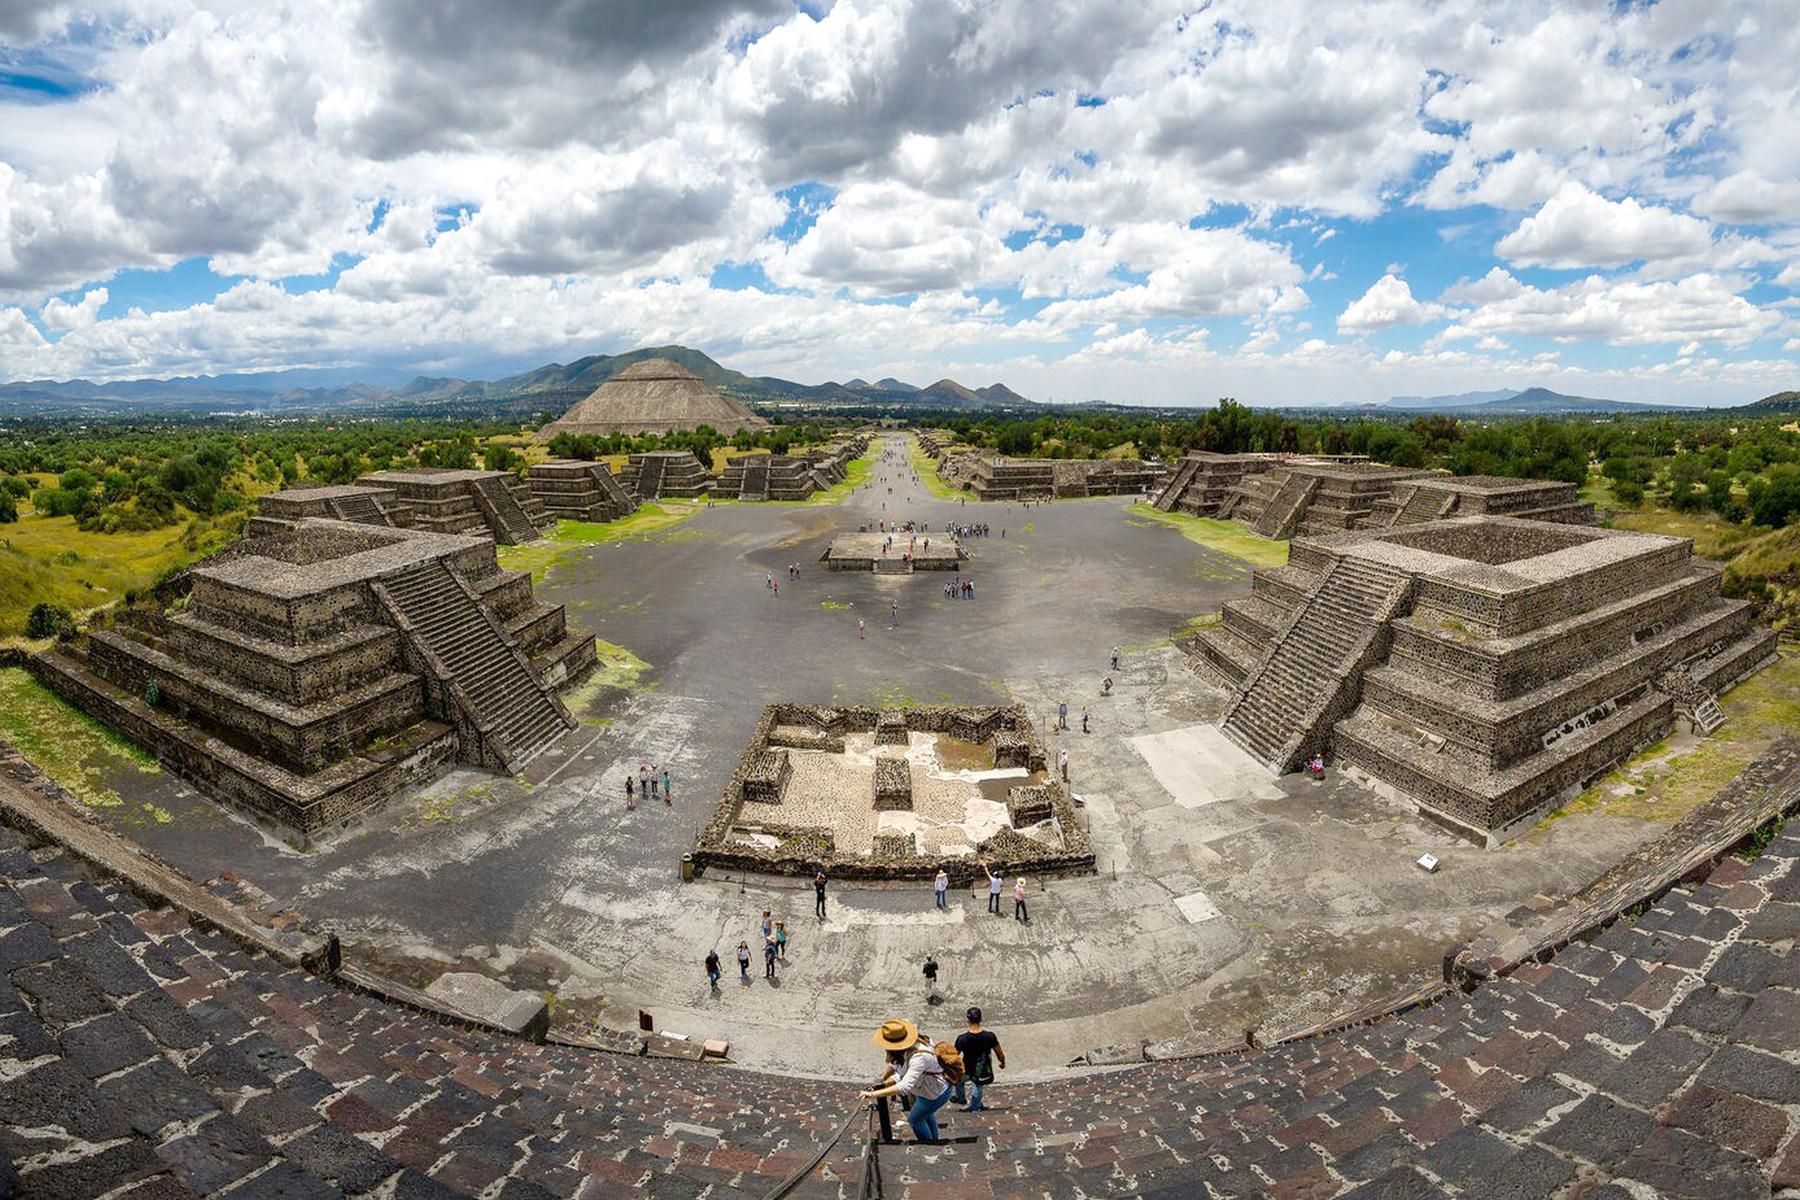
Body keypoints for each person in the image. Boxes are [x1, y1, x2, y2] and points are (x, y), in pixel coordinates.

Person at [861, 1021, 952, 1143]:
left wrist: (873, 1094)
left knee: (915, 1120)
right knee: (926, 1115)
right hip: (928, 1090)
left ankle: (929, 1145)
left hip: (935, 1093)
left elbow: (905, 1086)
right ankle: (934, 1140)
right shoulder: (913, 1046)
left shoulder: (919, 1057)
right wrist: (882, 1085)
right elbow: (900, 1074)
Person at [952, 1007, 1004, 1111]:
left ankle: (961, 1098)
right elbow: (999, 1052)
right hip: (982, 1067)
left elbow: (954, 1056)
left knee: (958, 1081)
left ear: (968, 1020)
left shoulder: (962, 1039)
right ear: (981, 1019)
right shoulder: (989, 1036)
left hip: (966, 1067)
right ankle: (975, 1106)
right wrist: (1002, 1062)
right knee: (978, 1085)